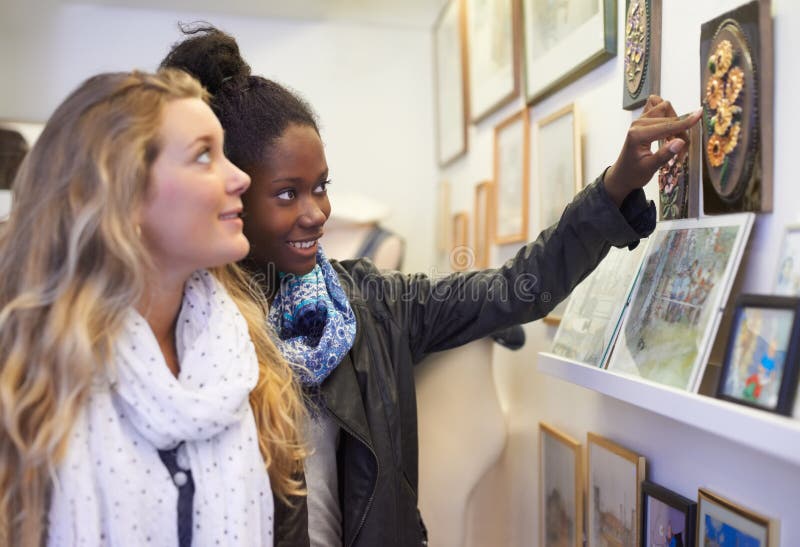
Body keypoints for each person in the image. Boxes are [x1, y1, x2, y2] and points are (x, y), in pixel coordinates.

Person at [161, 25, 701, 547]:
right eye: (287, 194)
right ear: (234, 192)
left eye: (321, 188)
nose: (315, 213)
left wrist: (617, 186)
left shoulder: (370, 304)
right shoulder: (194, 332)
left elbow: (516, 289)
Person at [0, 69, 308, 546]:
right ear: (122, 194)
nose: (240, 177)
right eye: (204, 155)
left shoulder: (248, 369)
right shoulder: (24, 384)